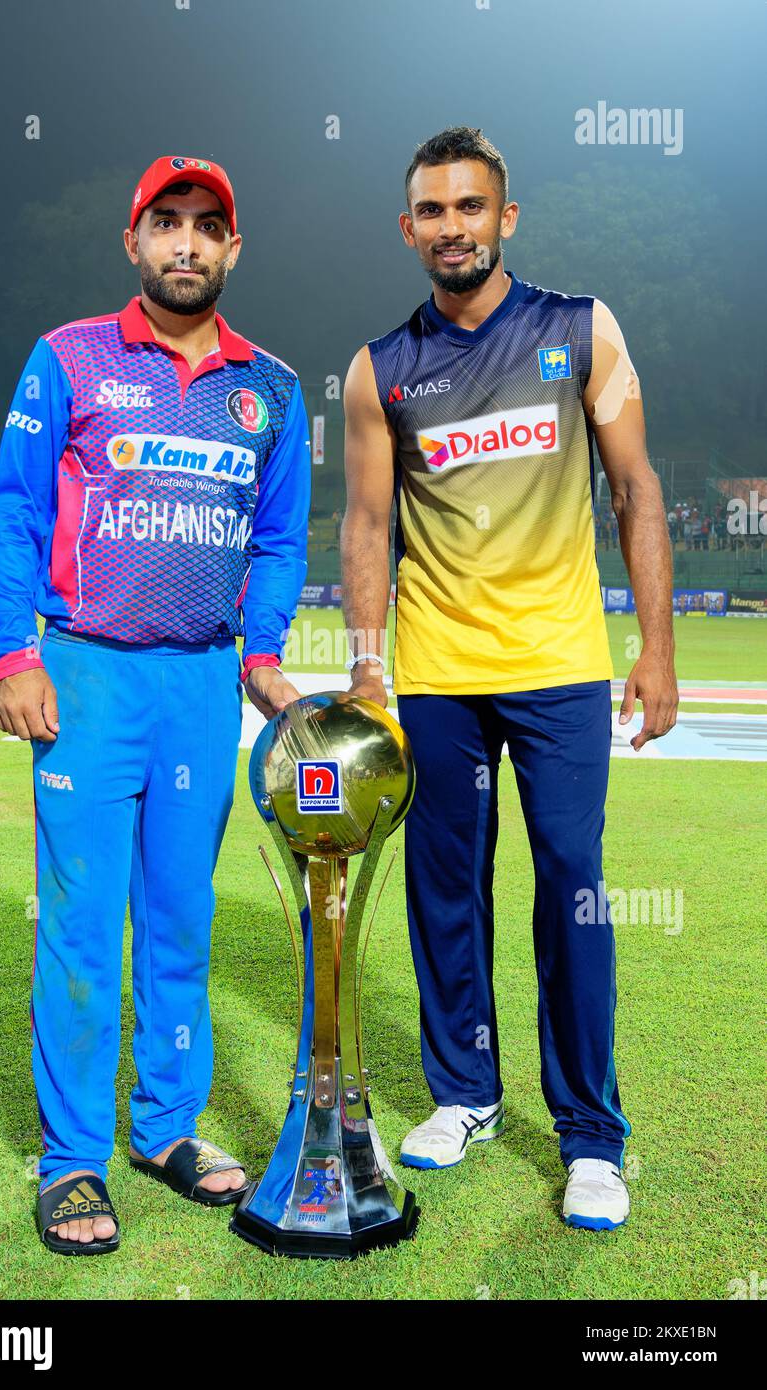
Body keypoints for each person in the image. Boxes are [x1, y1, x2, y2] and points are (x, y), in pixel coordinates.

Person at [340, 127, 678, 1231]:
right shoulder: (377, 367)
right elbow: (366, 520)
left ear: (505, 217)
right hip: (437, 672)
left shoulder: (577, 330)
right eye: (431, 211)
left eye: (469, 207)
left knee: (571, 887)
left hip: (559, 666)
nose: (451, 226)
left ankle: (590, 1134)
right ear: (407, 229)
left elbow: (632, 491)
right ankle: (464, 1092)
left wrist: (657, 652)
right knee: (447, 892)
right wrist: (365, 666)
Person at [0, 155, 311, 1255]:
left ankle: (163, 1128)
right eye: (164, 224)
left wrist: (262, 655)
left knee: (179, 919)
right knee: (80, 927)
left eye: (205, 227)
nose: (185, 244)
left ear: (231, 249)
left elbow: (275, 540)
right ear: (134, 242)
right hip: (86, 675)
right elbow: (18, 511)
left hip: (198, 684)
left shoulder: (269, 385)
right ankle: (73, 1157)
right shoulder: (68, 357)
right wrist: (10, 655)